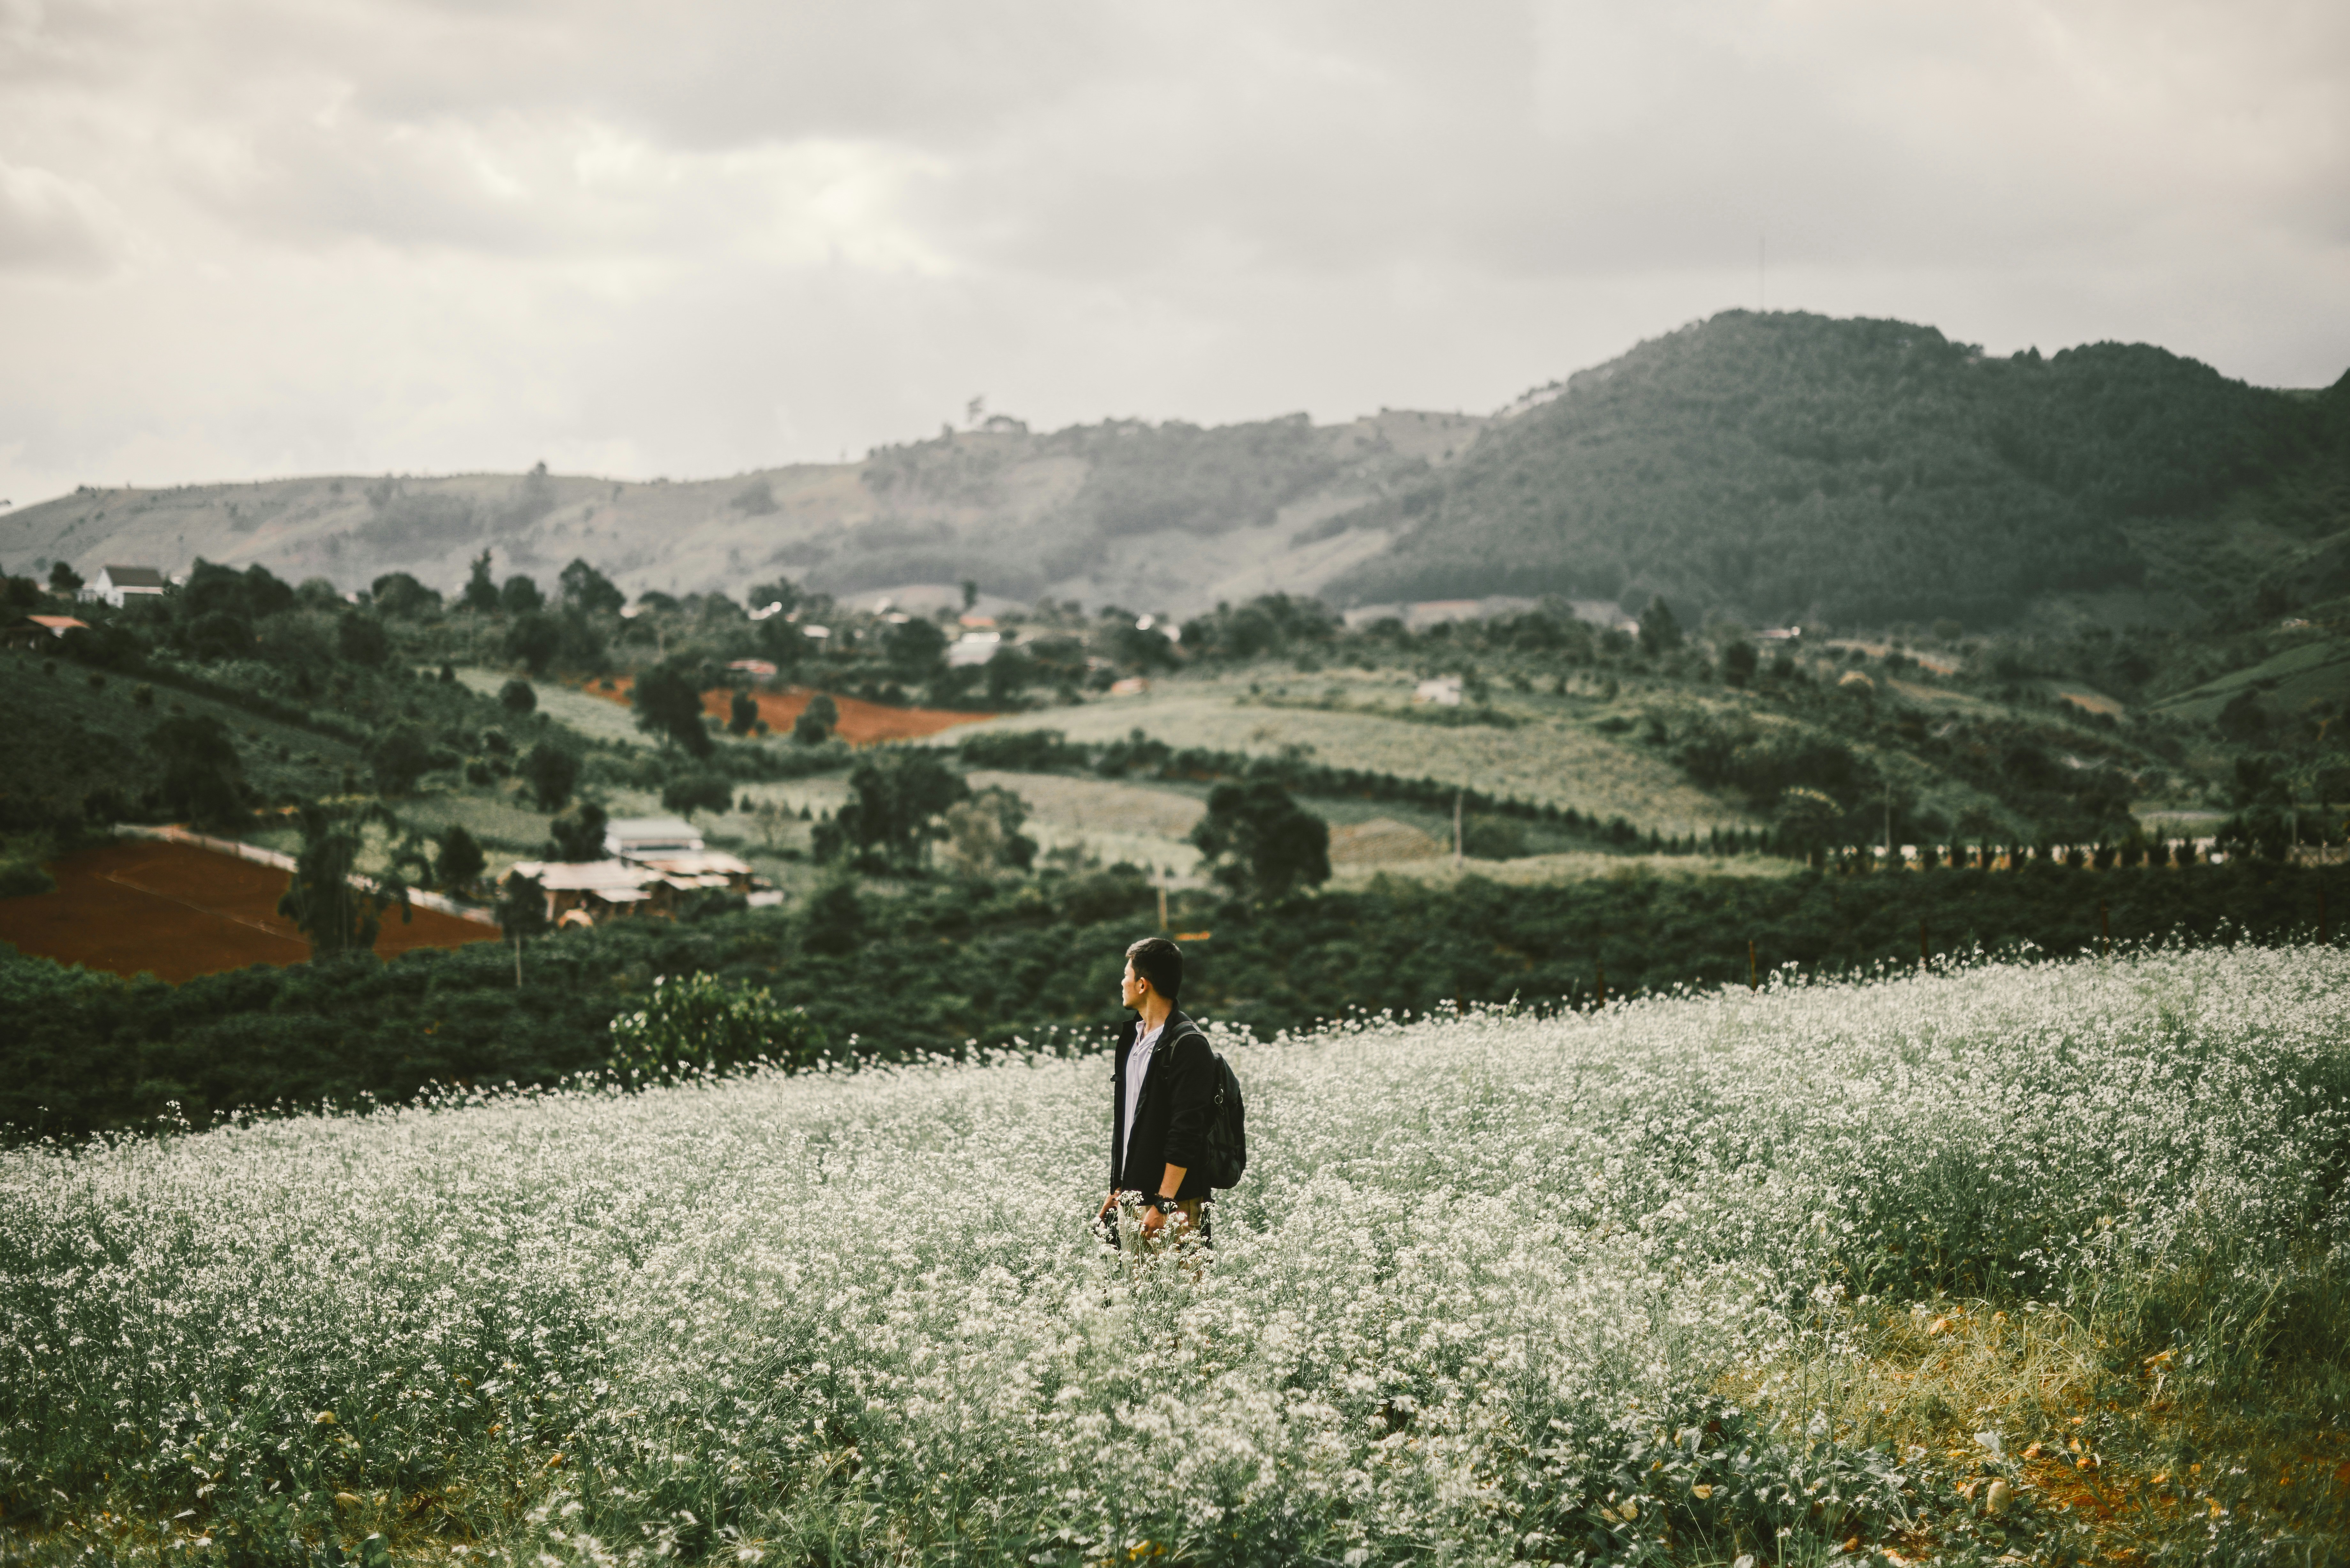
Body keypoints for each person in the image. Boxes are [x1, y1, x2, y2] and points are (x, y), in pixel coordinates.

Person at [1097, 935, 1217, 1254]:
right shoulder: (1132, 1040)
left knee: (1185, 1300)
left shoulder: (1187, 1043)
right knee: (1138, 1301)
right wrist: (1119, 1188)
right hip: (1135, 1199)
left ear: (1142, 985)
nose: (1121, 983)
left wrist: (1164, 1204)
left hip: (1173, 1205)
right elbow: (1134, 1126)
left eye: (1126, 976)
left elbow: (1187, 1130)